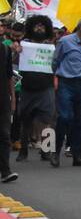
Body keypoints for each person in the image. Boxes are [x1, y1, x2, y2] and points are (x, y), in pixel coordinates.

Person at [50, 15, 81, 167]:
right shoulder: (65, 41)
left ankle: (77, 155)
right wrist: (58, 77)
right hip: (67, 84)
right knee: (64, 117)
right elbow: (55, 62)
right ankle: (55, 153)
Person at [14, 15, 57, 162]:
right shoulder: (23, 45)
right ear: (31, 28)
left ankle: (47, 150)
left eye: (42, 26)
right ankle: (23, 150)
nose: (39, 28)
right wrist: (17, 51)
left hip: (46, 88)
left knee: (48, 120)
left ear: (47, 28)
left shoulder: (53, 45)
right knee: (25, 119)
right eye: (36, 26)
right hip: (27, 88)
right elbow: (14, 62)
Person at [0, 20, 15, 183]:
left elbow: (10, 76)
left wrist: (12, 101)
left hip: (3, 99)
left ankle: (6, 171)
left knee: (4, 135)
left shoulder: (5, 49)